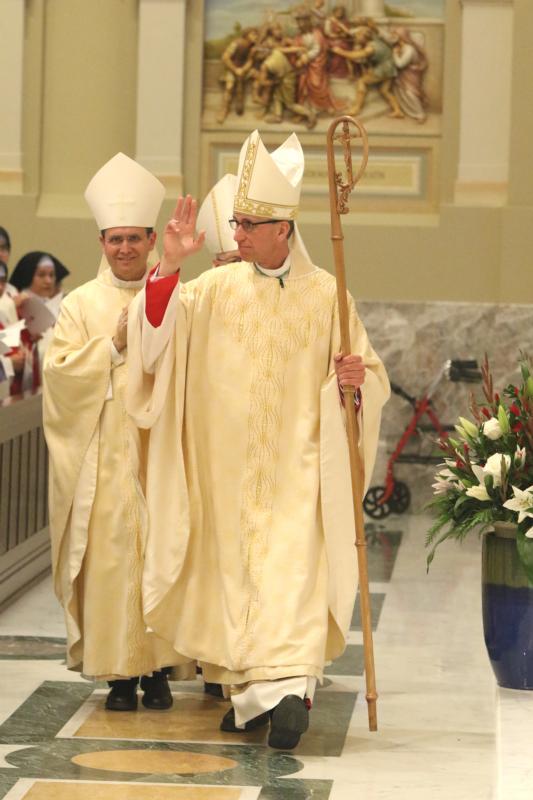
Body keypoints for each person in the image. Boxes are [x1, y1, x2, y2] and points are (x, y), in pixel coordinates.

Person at [127, 130, 389, 748]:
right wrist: (167, 267)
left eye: (248, 224)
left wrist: (354, 382)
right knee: (239, 583)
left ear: (283, 229)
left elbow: (366, 377)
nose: (236, 233)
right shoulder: (215, 290)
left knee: (292, 575)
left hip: (298, 470)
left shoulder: (328, 295)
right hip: (224, 472)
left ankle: (294, 688)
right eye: (237, 222)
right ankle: (256, 698)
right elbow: (154, 337)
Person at [43, 152, 189, 712]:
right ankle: (119, 676)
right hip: (103, 454)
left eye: (134, 238)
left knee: (162, 551)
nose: (124, 248)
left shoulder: (180, 294)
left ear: (153, 239)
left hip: (161, 451)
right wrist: (114, 345)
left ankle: (160, 670)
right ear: (102, 242)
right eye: (114, 239)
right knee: (110, 560)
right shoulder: (81, 304)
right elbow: (58, 375)